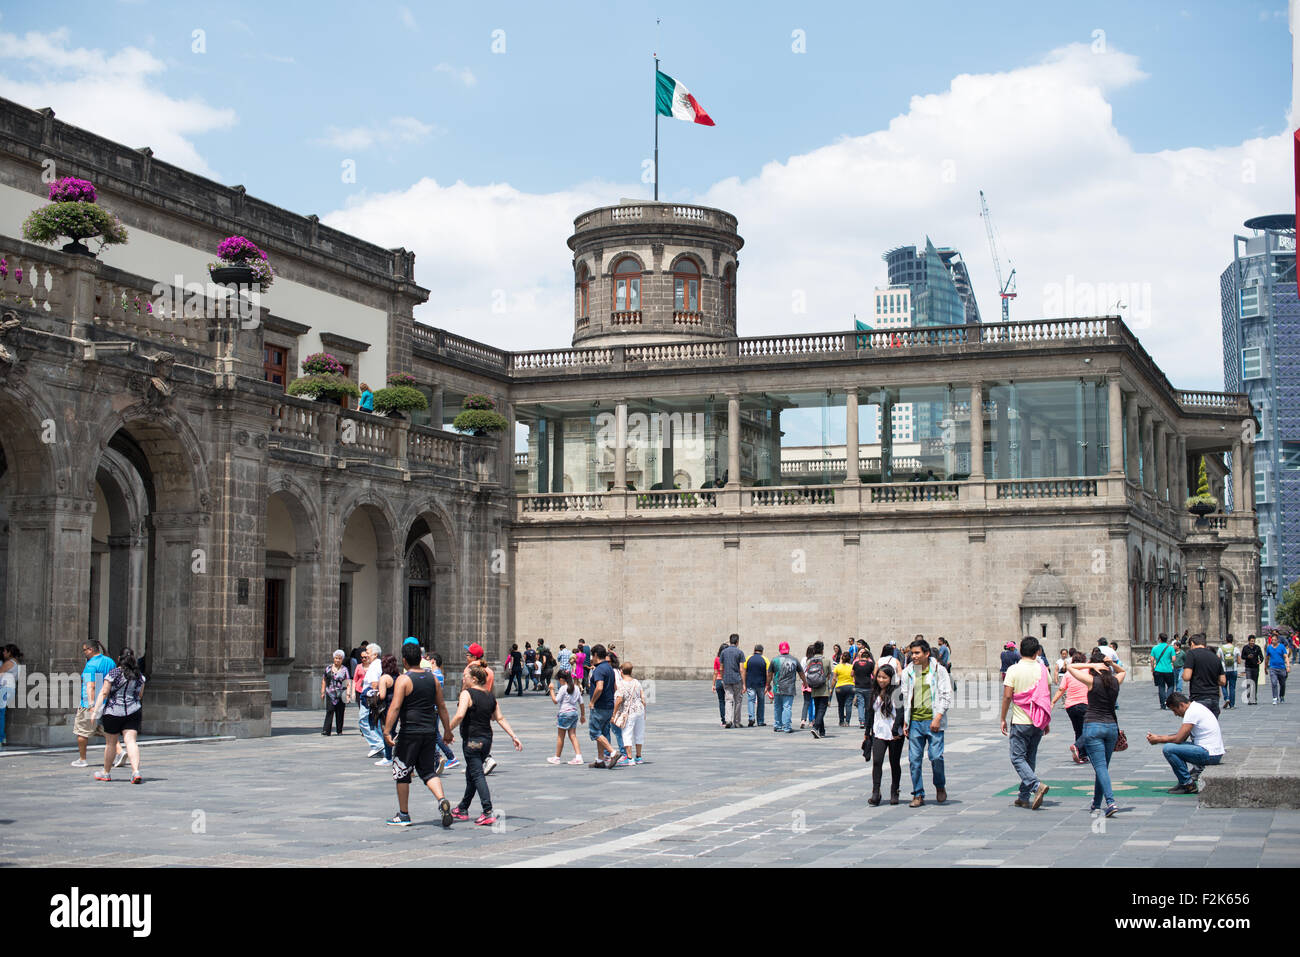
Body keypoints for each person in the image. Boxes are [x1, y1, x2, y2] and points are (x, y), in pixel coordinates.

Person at [382, 642, 456, 828]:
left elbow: (396, 707)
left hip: (410, 732)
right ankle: (441, 800)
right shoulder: (432, 679)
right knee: (428, 771)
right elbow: (442, 706)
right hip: (429, 732)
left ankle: (404, 814)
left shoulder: (404, 680)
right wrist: (447, 730)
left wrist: (387, 730)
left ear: (405, 661)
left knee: (402, 772)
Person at [448, 664, 522, 825]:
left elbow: (460, 715)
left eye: (465, 676)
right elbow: (500, 718)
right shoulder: (490, 696)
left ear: (473, 679)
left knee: (477, 774)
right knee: (472, 774)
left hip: (472, 740)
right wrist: (513, 736)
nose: (463, 678)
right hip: (486, 740)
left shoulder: (466, 694)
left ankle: (487, 810)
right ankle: (463, 807)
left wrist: (447, 731)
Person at [1066, 648, 1125, 817]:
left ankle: (1111, 801)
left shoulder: (1092, 681)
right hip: (1111, 728)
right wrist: (1110, 664)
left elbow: (1070, 667)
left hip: (1093, 727)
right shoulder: (1115, 681)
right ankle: (1096, 803)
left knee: (1100, 767)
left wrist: (1092, 664)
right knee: (1103, 768)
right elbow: (1123, 671)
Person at [1000, 636, 1052, 810]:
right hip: (1038, 720)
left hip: (1021, 720)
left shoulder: (1014, 670)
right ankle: (1023, 796)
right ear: (1038, 651)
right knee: (1029, 758)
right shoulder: (1043, 669)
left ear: (1020, 650)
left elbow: (1008, 695)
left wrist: (1002, 718)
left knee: (1017, 757)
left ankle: (1036, 786)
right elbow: (1046, 695)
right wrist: (1046, 719)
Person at [901, 637, 952, 806]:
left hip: (933, 720)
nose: (913, 656)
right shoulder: (907, 671)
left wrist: (938, 717)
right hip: (915, 721)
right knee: (914, 759)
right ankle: (917, 793)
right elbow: (906, 696)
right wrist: (905, 722)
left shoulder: (939, 670)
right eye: (911, 653)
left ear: (926, 653)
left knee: (936, 757)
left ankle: (940, 785)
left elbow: (945, 694)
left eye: (917, 653)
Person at [1147, 692, 1224, 794]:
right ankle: (1187, 780)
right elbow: (1181, 737)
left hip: (1209, 754)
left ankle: (1187, 784)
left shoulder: (1192, 712)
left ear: (1182, 705)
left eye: (1175, 710)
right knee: (1172, 746)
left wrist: (1158, 740)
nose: (1176, 714)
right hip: (1212, 752)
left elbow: (1179, 738)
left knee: (1168, 749)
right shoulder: (1196, 707)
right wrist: (1159, 737)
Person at [92, 648, 147, 784]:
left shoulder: (114, 673)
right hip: (133, 711)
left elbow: (104, 692)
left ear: (119, 658)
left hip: (113, 711)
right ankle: (135, 772)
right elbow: (139, 695)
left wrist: (95, 711)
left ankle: (106, 772)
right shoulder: (139, 675)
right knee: (131, 742)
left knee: (110, 743)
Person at [865, 664, 905, 805]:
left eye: (884, 677)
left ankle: (895, 790)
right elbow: (870, 713)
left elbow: (900, 712)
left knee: (894, 763)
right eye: (879, 677)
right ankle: (876, 792)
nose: (881, 680)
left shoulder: (897, 692)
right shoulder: (874, 692)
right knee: (877, 762)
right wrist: (867, 733)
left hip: (895, 734)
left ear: (891, 678)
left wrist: (896, 729)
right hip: (879, 732)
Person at [73, 640, 116, 769]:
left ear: (91, 650)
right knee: (106, 731)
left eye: (84, 650)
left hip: (89, 702)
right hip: (106, 700)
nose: (84, 653)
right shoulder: (110, 661)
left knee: (82, 732)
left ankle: (82, 759)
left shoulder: (91, 665)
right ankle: (120, 752)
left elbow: (90, 686)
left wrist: (91, 705)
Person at [587, 644, 622, 768]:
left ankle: (613, 752)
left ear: (596, 655)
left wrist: (592, 701)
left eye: (592, 655)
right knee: (601, 732)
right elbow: (615, 687)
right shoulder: (609, 668)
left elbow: (599, 687)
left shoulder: (599, 669)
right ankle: (600, 760)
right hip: (609, 705)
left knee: (594, 732)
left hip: (599, 706)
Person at [1052, 651, 1090, 762]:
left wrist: (1053, 701)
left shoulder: (1068, 674)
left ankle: (1081, 755)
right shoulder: (1088, 671)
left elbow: (1061, 689)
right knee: (1089, 730)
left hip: (1071, 706)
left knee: (1078, 730)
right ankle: (1077, 747)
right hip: (1084, 704)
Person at [547, 669, 586, 765]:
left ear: (561, 679)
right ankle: (578, 756)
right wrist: (583, 715)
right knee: (573, 735)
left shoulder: (563, 688)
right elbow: (581, 702)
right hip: (574, 713)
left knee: (561, 736)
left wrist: (551, 690)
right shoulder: (576, 688)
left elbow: (556, 701)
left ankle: (557, 757)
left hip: (564, 714)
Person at [1183, 633, 1226, 717]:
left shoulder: (1192, 654)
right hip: (1214, 697)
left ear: (1192, 644)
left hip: (1199, 696)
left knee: (1198, 727)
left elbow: (1186, 676)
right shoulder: (1215, 657)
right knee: (1211, 726)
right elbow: (1223, 681)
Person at [766, 642, 805, 733]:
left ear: (780, 650)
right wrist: (805, 682)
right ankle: (787, 727)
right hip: (789, 688)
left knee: (777, 707)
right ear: (788, 649)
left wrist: (768, 685)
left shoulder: (774, 660)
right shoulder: (794, 660)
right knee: (787, 707)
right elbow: (801, 672)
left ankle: (778, 725)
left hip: (777, 687)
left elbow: (769, 674)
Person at [614, 662, 648, 764]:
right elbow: (643, 697)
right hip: (639, 710)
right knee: (639, 733)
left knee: (627, 734)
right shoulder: (637, 682)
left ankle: (629, 758)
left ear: (621, 671)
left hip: (629, 712)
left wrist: (614, 713)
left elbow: (619, 699)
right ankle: (638, 756)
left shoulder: (621, 684)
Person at [429, 653, 458, 770]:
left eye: (428, 660)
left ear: (433, 661)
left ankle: (449, 757)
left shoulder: (434, 675)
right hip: (436, 708)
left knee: (435, 735)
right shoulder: (440, 674)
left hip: (433, 707)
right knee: (435, 733)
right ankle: (439, 757)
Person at [372, 654, 401, 766]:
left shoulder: (384, 678)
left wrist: (376, 693)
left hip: (387, 708)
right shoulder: (398, 676)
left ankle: (388, 757)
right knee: (392, 731)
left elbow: (382, 695)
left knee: (386, 731)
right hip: (397, 706)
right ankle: (394, 754)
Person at [357, 644, 386, 757]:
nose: (366, 655)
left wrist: (373, 700)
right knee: (374, 722)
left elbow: (374, 684)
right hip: (370, 698)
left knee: (363, 721)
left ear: (375, 654)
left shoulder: (374, 666)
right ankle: (380, 746)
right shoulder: (378, 664)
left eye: (368, 653)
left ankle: (378, 744)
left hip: (369, 698)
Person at [320, 650, 352, 735]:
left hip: (341, 693)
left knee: (340, 712)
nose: (337, 660)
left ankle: (339, 730)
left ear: (342, 659)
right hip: (330, 693)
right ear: (334, 658)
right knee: (329, 710)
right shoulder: (328, 668)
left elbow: (348, 682)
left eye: (340, 658)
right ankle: (326, 730)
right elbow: (324, 680)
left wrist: (348, 694)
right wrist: (322, 692)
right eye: (336, 658)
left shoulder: (344, 669)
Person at [806, 641, 833, 739]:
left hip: (814, 689)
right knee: (822, 710)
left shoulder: (809, 661)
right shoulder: (826, 661)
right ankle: (816, 726)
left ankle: (822, 731)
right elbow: (829, 675)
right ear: (822, 650)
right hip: (823, 689)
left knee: (818, 710)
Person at [719, 634, 746, 729]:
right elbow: (742, 669)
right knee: (738, 700)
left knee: (728, 700)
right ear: (737, 642)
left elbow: (721, 667)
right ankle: (737, 722)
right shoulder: (740, 652)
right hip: (737, 679)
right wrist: (744, 684)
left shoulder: (723, 652)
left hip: (726, 679)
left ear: (730, 641)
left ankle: (728, 720)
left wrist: (722, 678)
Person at [0, 644, 21, 746]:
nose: (3, 653)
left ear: (9, 652)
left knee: (0, 714)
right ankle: (2, 738)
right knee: (2, 714)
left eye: (5, 651)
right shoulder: (17, 663)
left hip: (4, 689)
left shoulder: (8, 663)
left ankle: (1, 737)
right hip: (11, 689)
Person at [744, 644, 768, 727]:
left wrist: (744, 683)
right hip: (761, 684)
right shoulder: (765, 659)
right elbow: (768, 673)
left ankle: (751, 718)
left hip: (750, 683)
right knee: (761, 701)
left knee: (751, 700)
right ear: (762, 651)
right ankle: (760, 721)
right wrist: (767, 685)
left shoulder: (748, 658)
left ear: (754, 650)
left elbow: (744, 671)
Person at [852, 644, 875, 729]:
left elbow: (852, 674)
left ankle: (861, 721)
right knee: (867, 705)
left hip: (858, 686)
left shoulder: (856, 663)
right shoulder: (870, 664)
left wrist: (856, 677)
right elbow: (874, 674)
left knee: (860, 704)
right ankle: (867, 721)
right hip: (868, 686)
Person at [1150, 633, 1176, 709]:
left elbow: (1151, 660)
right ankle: (1167, 699)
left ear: (1160, 639)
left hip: (1158, 670)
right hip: (1168, 670)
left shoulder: (1155, 648)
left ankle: (1162, 704)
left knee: (1161, 687)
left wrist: (1152, 668)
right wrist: (1169, 662)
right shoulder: (1171, 648)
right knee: (1171, 686)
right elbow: (1174, 659)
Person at [1266, 634, 1291, 704]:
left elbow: (1286, 657)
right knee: (1274, 683)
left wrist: (1288, 666)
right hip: (1272, 668)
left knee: (1282, 684)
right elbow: (1267, 658)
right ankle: (1275, 698)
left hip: (1282, 668)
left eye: (1274, 640)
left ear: (1277, 640)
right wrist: (1265, 668)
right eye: (1272, 640)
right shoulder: (1269, 648)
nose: (1273, 641)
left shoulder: (1282, 647)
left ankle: (1282, 696)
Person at [834, 652, 855, 727]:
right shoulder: (852, 667)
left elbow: (834, 679)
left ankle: (841, 721)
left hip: (839, 687)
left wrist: (831, 689)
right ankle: (847, 721)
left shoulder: (837, 667)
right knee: (849, 704)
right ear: (850, 659)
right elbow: (854, 678)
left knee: (841, 705)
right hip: (850, 687)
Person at [1240, 635, 1263, 706]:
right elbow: (1242, 657)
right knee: (1249, 682)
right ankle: (1249, 698)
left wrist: (1260, 661)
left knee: (1255, 683)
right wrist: (1247, 657)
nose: (1253, 642)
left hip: (1256, 667)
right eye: (1251, 641)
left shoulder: (1257, 648)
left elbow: (1261, 656)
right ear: (1249, 641)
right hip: (1248, 667)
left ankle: (1254, 698)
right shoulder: (1245, 648)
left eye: (1254, 641)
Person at [1218, 635, 1238, 710]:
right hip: (1233, 670)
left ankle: (1226, 698)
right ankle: (1232, 705)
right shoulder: (1235, 649)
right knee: (1232, 688)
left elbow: (1218, 659)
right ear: (1232, 640)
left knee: (1223, 685)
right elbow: (1239, 661)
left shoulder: (1221, 648)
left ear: (1226, 640)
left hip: (1224, 670)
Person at [712, 644, 727, 727]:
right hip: (727, 681)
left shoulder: (717, 659)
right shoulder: (728, 659)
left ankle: (723, 720)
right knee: (729, 701)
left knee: (721, 701)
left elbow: (715, 672)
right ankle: (729, 718)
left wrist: (713, 685)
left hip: (718, 680)